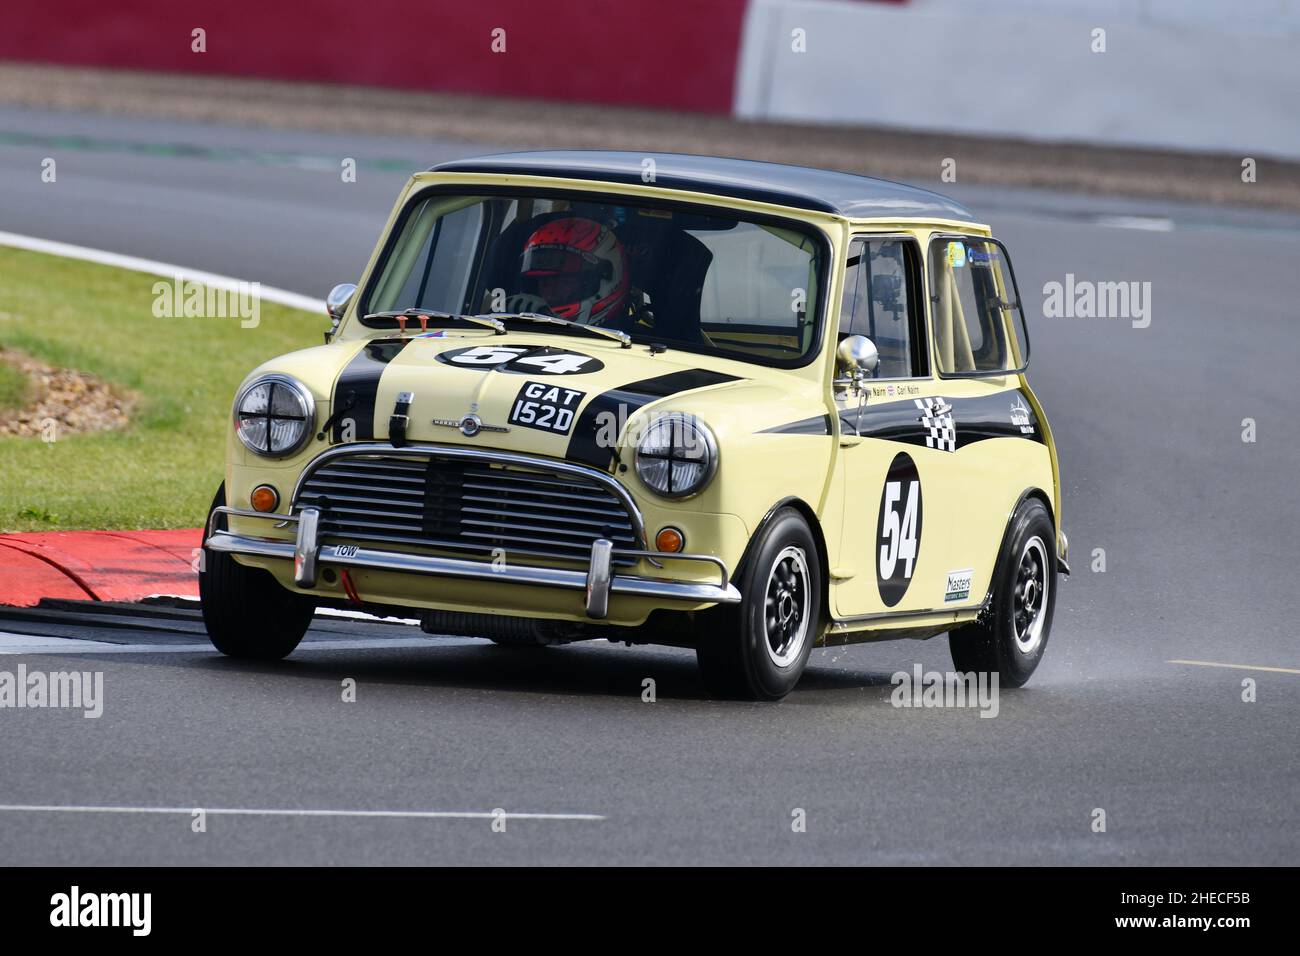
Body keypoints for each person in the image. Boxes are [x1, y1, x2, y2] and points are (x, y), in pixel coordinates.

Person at [517, 217, 633, 326]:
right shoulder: (511, 324)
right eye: (543, 281)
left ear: (605, 276)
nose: (548, 292)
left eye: (562, 280)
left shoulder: (638, 342)